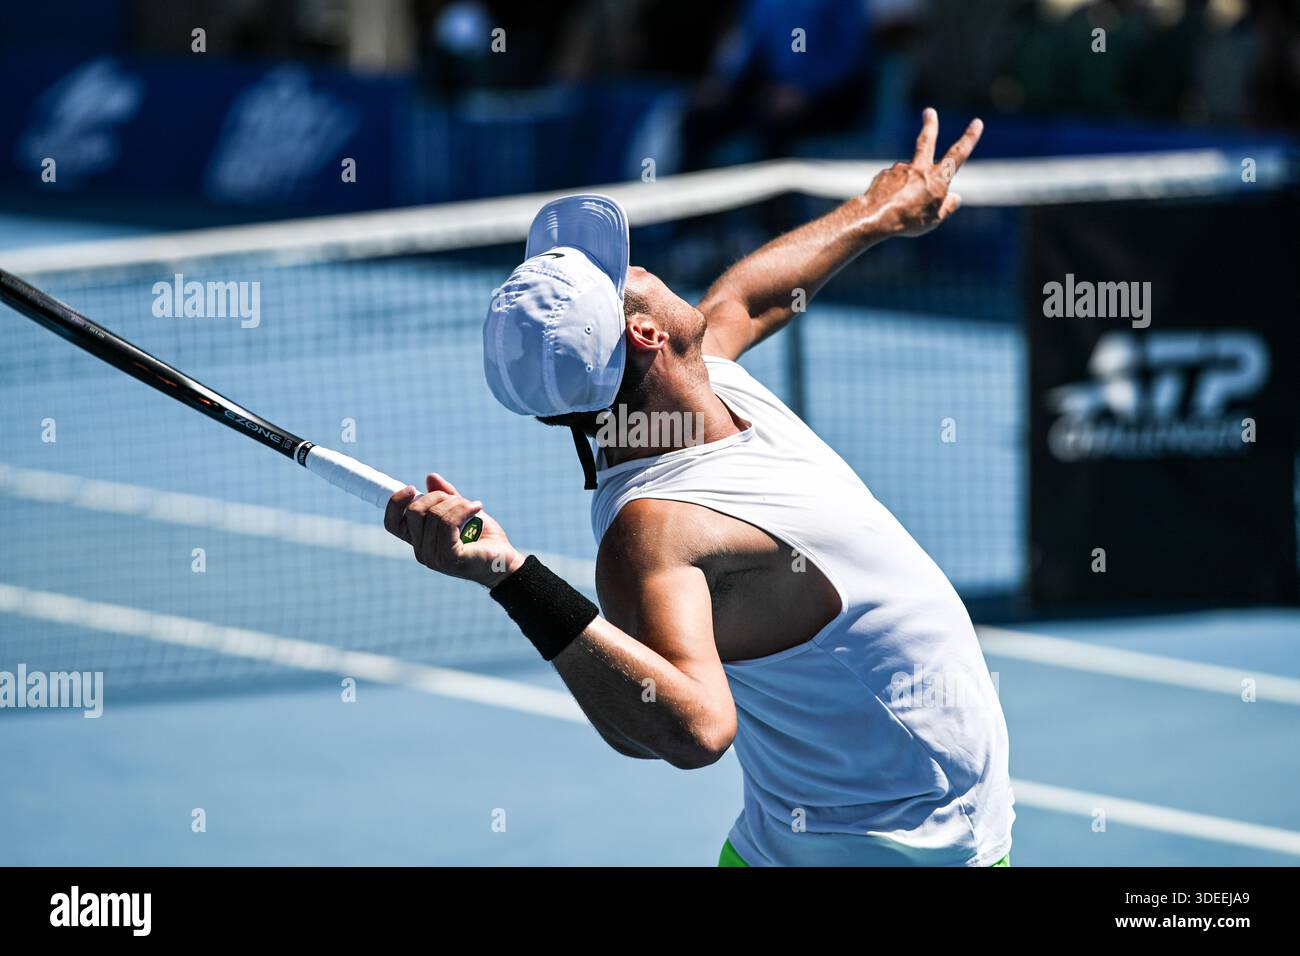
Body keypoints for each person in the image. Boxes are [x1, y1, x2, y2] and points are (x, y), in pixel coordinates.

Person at [384, 109, 1014, 866]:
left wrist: (887, 209)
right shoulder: (655, 530)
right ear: (646, 334)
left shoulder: (702, 375)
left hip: (838, 838)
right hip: (878, 854)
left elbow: (751, 296)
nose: (641, 267)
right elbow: (693, 730)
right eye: (622, 275)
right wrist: (512, 578)